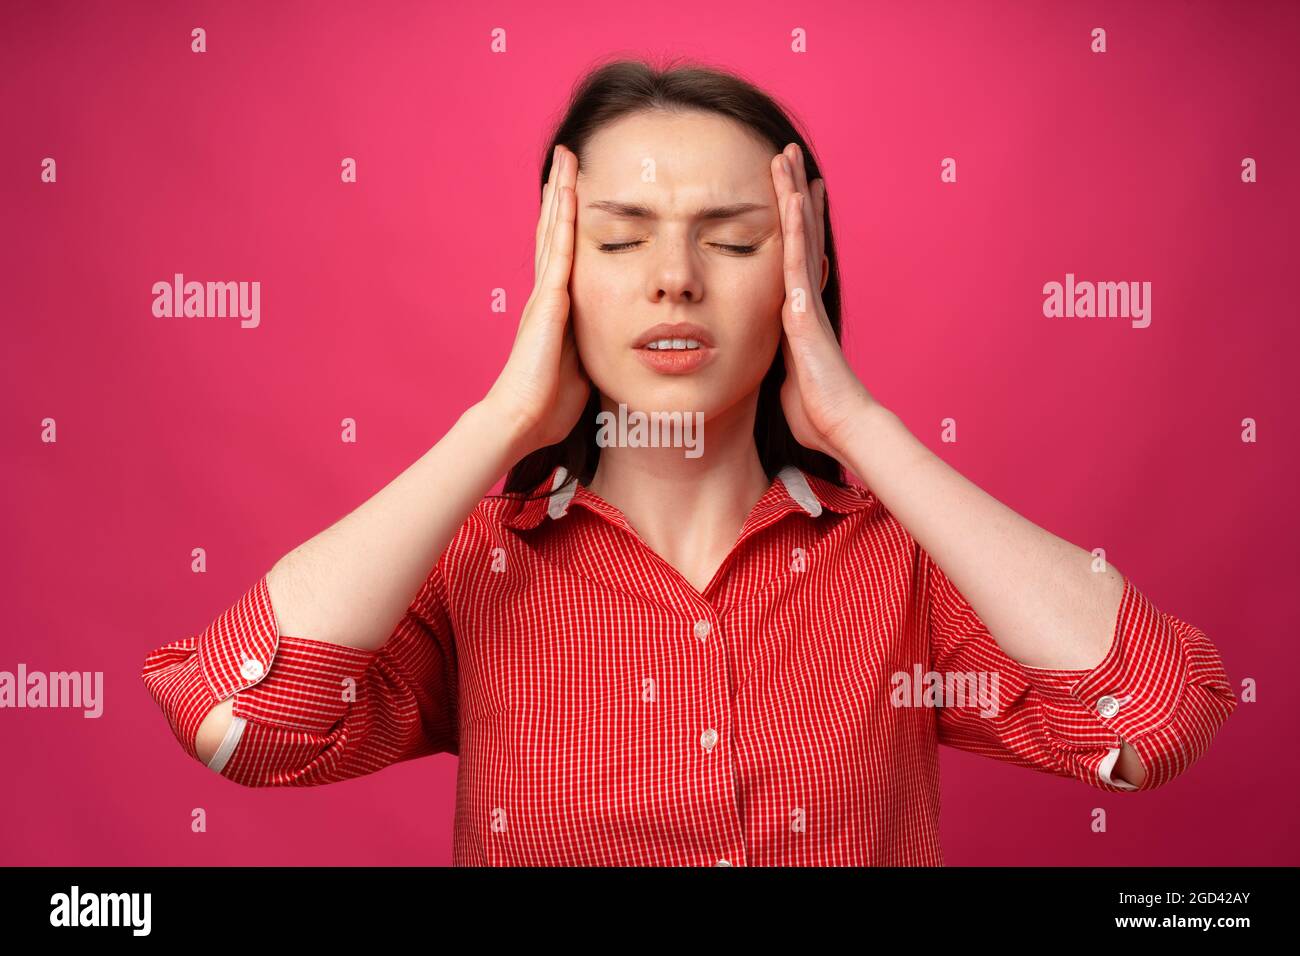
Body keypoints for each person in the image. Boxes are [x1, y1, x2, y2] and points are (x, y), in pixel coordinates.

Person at [141, 58, 1237, 866]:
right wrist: (502, 415)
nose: (674, 278)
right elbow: (233, 720)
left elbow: (1155, 715)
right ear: (555, 276)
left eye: (733, 238)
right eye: (617, 240)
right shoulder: (474, 568)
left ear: (802, 271)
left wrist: (858, 422)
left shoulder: (903, 571)